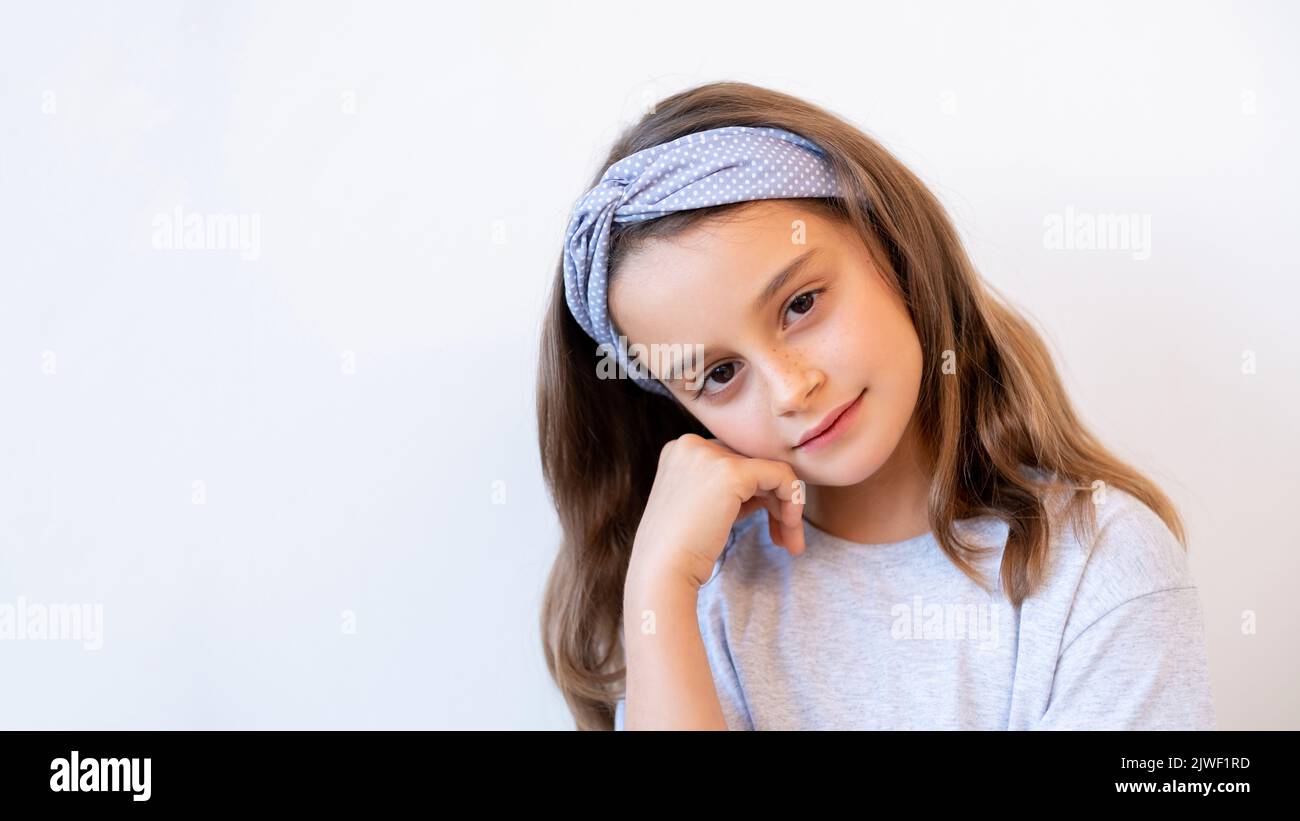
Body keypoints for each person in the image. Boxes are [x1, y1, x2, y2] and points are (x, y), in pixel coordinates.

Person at [537, 81, 1215, 731]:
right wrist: (654, 586)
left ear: (891, 242)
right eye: (719, 373)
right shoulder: (696, 603)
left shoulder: (1098, 569)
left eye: (800, 304)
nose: (789, 387)